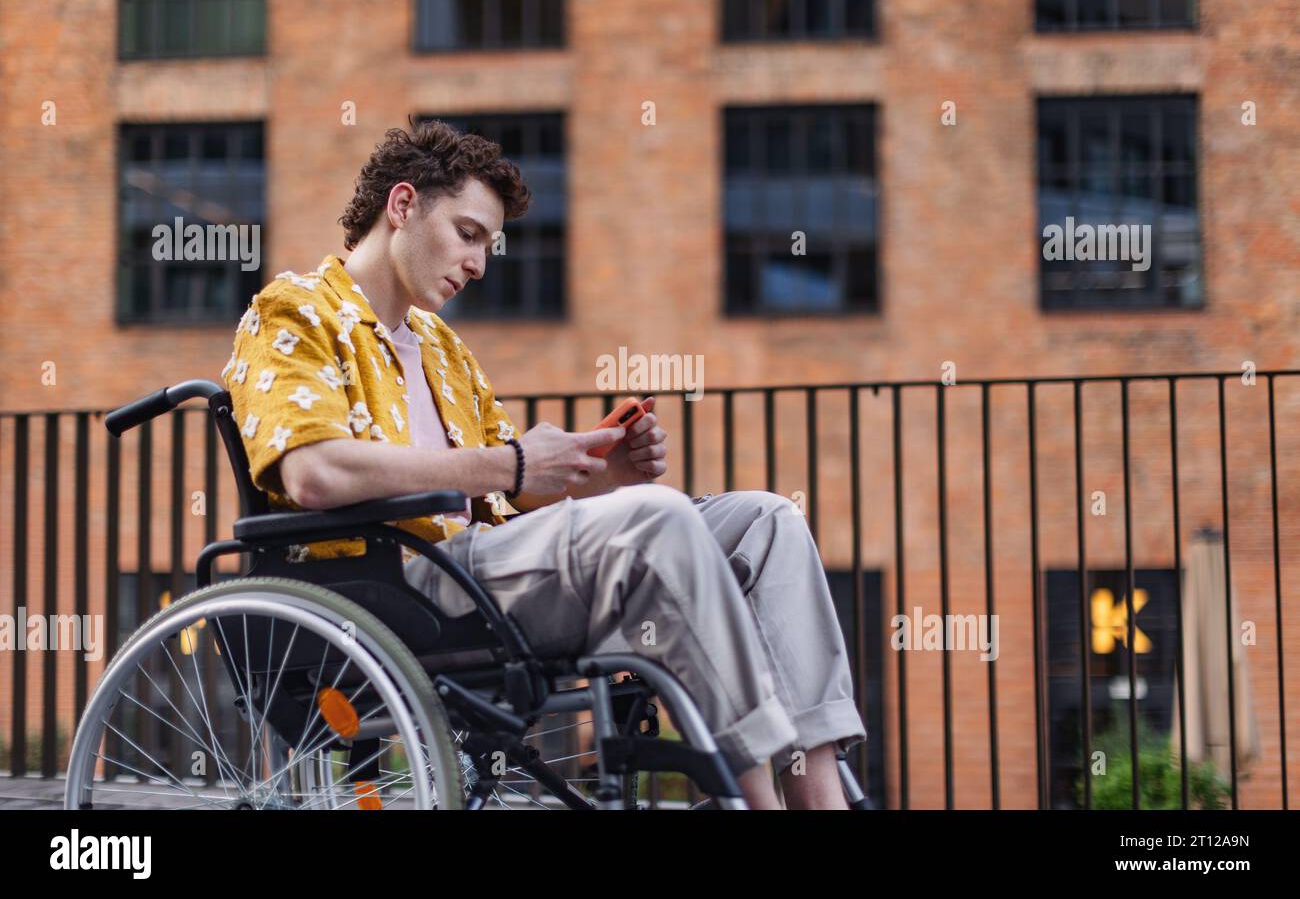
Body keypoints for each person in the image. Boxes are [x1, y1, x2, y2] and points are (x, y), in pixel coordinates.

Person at [223, 118, 865, 809]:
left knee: (766, 520)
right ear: (402, 205)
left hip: (478, 569)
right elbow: (313, 474)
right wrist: (511, 464)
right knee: (656, 518)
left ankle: (817, 795)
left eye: (490, 246)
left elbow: (509, 493)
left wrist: (607, 474)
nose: (480, 265)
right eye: (469, 234)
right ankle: (752, 799)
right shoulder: (293, 311)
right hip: (392, 584)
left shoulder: (441, 348)